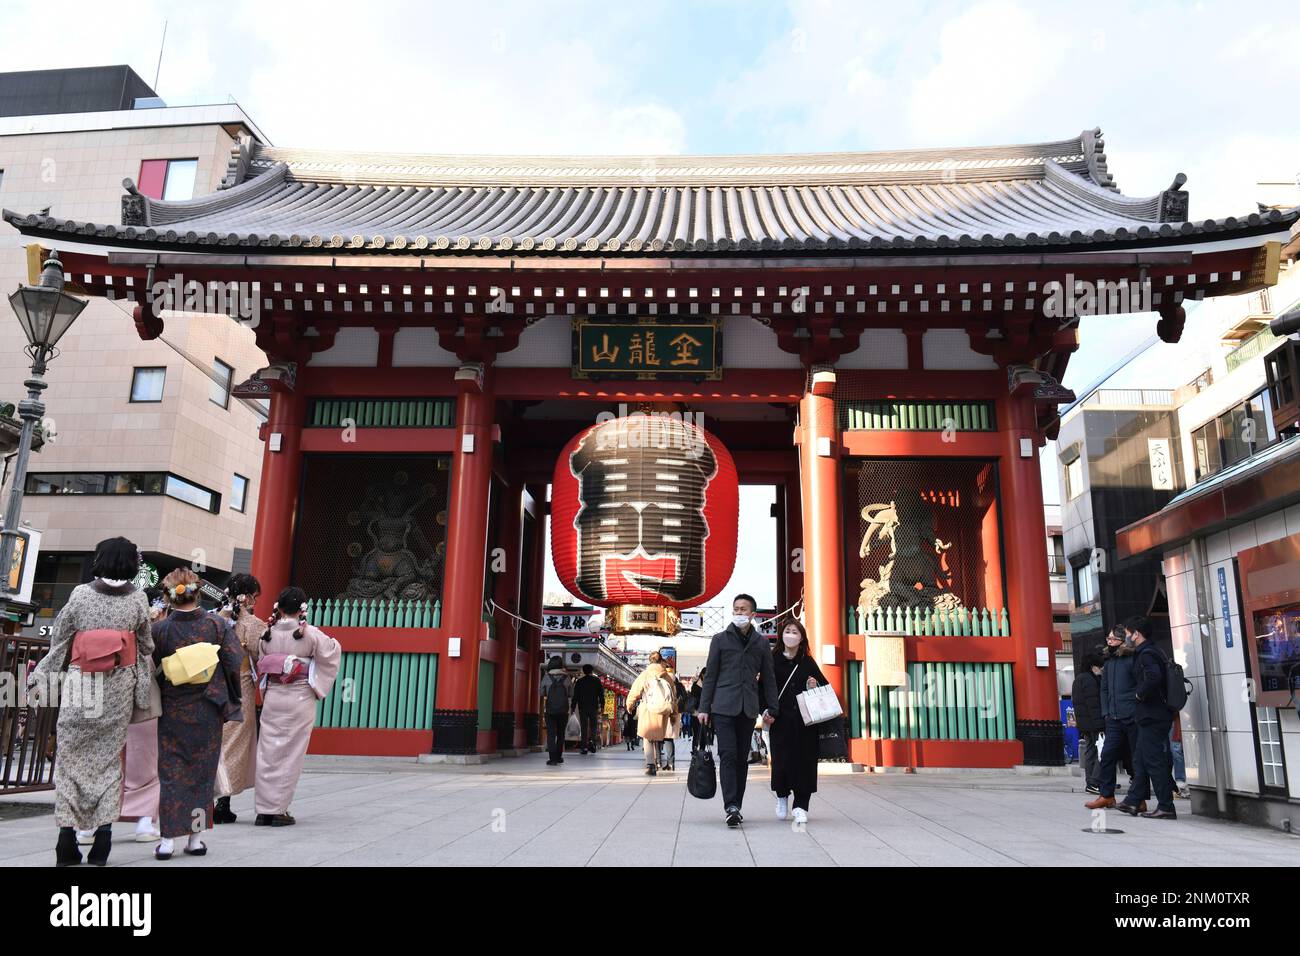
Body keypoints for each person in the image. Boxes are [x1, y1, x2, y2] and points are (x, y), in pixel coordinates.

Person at [27, 537, 154, 867]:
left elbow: (60, 638)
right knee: (109, 762)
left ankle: (67, 841)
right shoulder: (138, 599)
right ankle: (103, 839)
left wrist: (41, 677)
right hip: (118, 688)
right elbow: (146, 645)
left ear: (99, 559)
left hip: (81, 685)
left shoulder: (80, 594)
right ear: (132, 563)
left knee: (69, 761)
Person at [152, 568, 243, 860]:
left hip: (173, 707)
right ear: (197, 593)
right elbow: (233, 660)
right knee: (201, 774)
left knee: (171, 772)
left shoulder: (161, 629)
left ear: (168, 596)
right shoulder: (217, 625)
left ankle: (167, 839)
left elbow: (152, 667)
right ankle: (195, 838)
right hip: (207, 706)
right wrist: (231, 695)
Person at [253, 587, 342, 825]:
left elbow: (261, 662)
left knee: (268, 750)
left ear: (279, 608)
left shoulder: (267, 634)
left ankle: (263, 809)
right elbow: (331, 654)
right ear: (303, 608)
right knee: (290, 752)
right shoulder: (310, 634)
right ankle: (278, 809)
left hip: (273, 695)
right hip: (299, 695)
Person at [697, 594, 780, 827]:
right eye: (736, 609)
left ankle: (737, 805)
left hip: (748, 707)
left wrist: (772, 706)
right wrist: (704, 707)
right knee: (728, 754)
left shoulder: (761, 643)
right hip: (723, 706)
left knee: (742, 758)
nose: (739, 613)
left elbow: (769, 678)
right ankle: (730, 805)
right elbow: (710, 675)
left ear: (753, 614)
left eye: (743, 609)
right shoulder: (720, 639)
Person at [214, 573, 266, 824]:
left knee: (213, 741)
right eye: (255, 597)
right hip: (240, 685)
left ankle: (207, 794)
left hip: (212, 686)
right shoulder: (253, 624)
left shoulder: (212, 618)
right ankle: (223, 801)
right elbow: (261, 656)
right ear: (248, 597)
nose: (256, 602)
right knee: (234, 742)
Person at [118, 590, 169, 844]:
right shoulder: (155, 634)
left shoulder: (114, 624)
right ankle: (144, 823)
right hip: (145, 699)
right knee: (147, 761)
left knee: (109, 760)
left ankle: (88, 827)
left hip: (109, 696)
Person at [768, 620, 827, 824]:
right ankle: (782, 797)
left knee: (805, 763)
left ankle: (801, 805)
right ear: (781, 635)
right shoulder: (772, 660)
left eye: (795, 632)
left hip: (805, 723)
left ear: (802, 638)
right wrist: (765, 710)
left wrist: (814, 685)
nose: (791, 634)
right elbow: (763, 688)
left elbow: (824, 688)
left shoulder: (808, 662)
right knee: (781, 762)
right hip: (780, 720)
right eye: (787, 631)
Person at [1121, 616, 1177, 820]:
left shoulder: (1146, 654)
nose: (1126, 637)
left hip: (1153, 715)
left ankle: (1166, 806)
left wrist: (1139, 694)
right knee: (1141, 758)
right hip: (1153, 714)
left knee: (1153, 760)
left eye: (1128, 634)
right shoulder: (1154, 651)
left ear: (1137, 634)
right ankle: (1133, 801)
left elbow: (1154, 677)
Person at [1086, 625, 1141, 813]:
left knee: (1136, 757)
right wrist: (1106, 713)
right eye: (1108, 638)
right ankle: (1106, 794)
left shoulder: (1132, 659)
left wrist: (1134, 705)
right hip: (1113, 718)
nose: (1109, 641)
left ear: (1122, 641)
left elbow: (1139, 685)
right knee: (1107, 755)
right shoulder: (1108, 662)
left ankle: (1138, 797)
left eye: (1113, 639)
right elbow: (1104, 689)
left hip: (1131, 715)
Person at [626, 652, 677, 776]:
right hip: (663, 711)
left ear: (650, 661)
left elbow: (635, 691)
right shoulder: (667, 676)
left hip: (648, 709)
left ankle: (651, 765)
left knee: (648, 738)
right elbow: (673, 697)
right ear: (661, 661)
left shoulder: (645, 675)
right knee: (658, 737)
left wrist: (630, 704)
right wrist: (673, 714)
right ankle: (658, 761)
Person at [1071, 647, 1106, 794]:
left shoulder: (1079, 679)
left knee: (1091, 751)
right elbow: (1094, 705)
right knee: (1101, 752)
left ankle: (1091, 781)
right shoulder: (1090, 680)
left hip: (1085, 723)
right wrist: (1101, 724)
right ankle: (1095, 780)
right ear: (1093, 666)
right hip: (1094, 723)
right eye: (1099, 667)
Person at [542, 656, 572, 766]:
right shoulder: (567, 678)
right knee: (560, 734)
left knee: (551, 734)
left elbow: (541, 692)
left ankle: (552, 758)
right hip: (563, 710)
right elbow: (570, 693)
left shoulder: (546, 677)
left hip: (550, 710)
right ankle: (559, 757)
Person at [571, 663, 603, 754]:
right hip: (594, 707)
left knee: (584, 727)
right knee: (593, 726)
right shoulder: (597, 681)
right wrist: (603, 705)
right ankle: (592, 742)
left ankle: (584, 747)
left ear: (584, 671)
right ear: (592, 671)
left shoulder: (579, 682)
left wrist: (573, 707)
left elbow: (575, 696)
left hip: (583, 707)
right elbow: (601, 694)